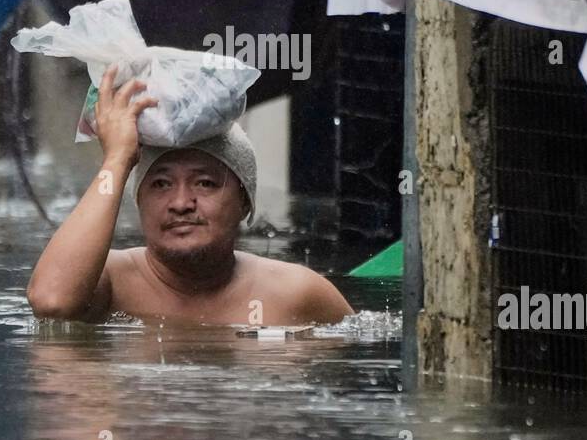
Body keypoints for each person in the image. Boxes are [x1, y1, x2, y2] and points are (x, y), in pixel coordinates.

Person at [27, 65, 354, 326]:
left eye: (205, 184)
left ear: (244, 201)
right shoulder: (112, 284)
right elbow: (51, 301)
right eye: (160, 185)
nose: (181, 204)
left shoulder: (296, 295)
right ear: (138, 201)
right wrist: (117, 159)